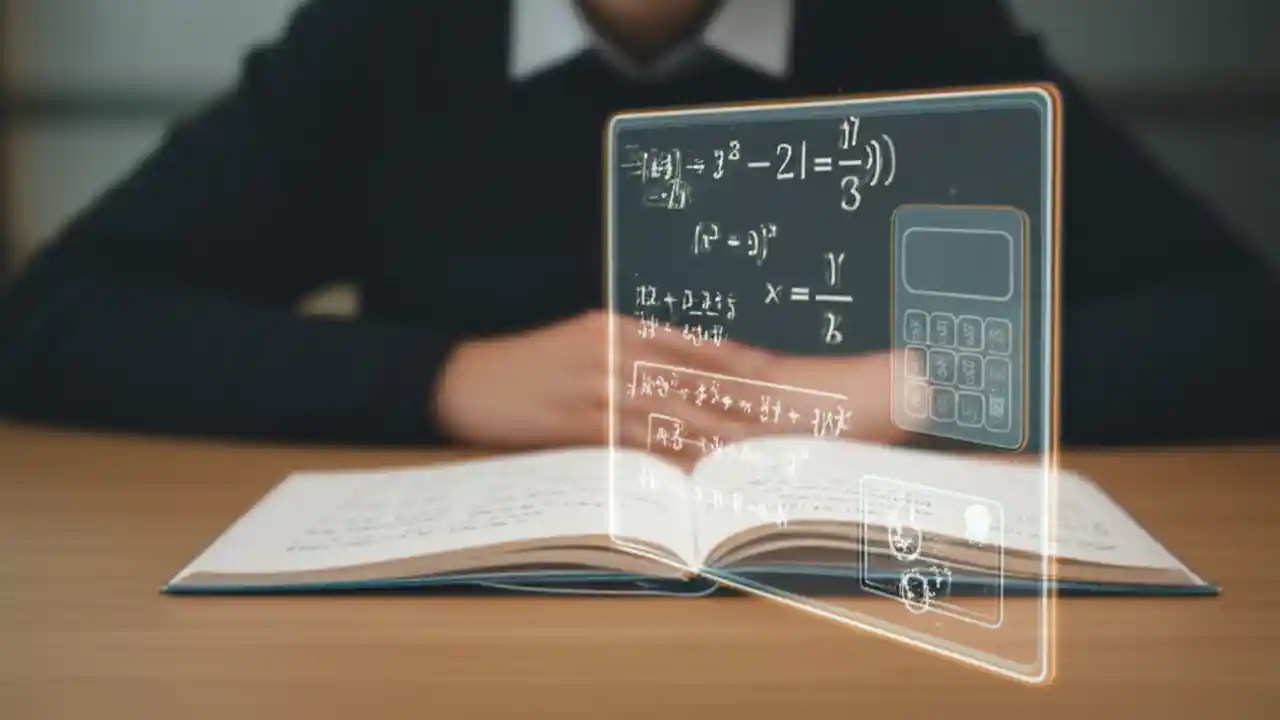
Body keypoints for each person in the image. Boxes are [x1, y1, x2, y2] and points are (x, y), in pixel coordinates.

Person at [0, 0, 1273, 450]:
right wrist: (442, 381)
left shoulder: (911, 29)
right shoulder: (387, 38)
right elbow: (57, 319)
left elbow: (1231, 328)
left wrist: (904, 384)